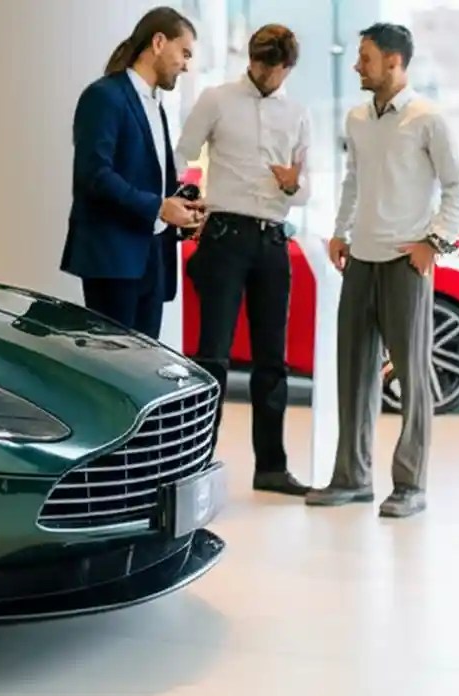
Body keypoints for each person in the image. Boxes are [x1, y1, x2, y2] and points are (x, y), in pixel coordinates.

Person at [305, 22, 459, 518]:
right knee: (353, 374)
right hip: (360, 259)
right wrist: (340, 231)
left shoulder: (428, 119)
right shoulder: (357, 118)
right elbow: (353, 180)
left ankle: (410, 485)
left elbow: (458, 186)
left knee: (412, 379)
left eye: (366, 58)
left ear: (394, 62)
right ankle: (351, 477)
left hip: (405, 264)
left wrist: (433, 243)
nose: (358, 65)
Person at [174, 24, 311, 496]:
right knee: (212, 356)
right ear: (251, 60)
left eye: (276, 70)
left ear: (287, 68)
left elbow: (304, 190)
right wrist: (181, 201)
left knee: (273, 359)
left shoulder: (297, 113)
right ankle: (194, 464)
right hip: (225, 237)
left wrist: (293, 185)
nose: (267, 76)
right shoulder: (216, 99)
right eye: (261, 66)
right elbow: (181, 154)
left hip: (273, 242)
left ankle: (271, 467)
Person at [60, 6, 205, 339]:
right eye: (184, 53)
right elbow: (94, 175)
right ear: (158, 42)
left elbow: (148, 178)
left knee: (146, 364)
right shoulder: (104, 96)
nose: (186, 65)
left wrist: (182, 206)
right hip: (113, 260)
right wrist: (158, 207)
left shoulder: (155, 105)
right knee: (112, 363)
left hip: (152, 257)